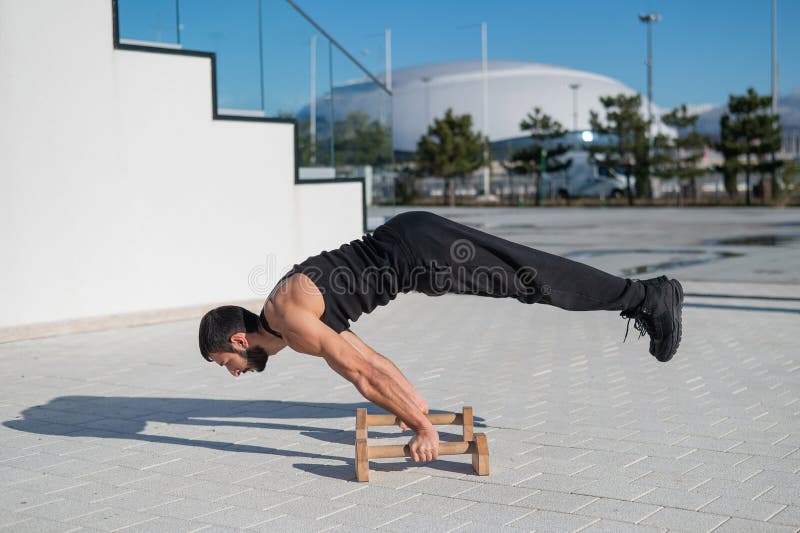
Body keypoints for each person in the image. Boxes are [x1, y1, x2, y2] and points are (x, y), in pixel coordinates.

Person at [198, 211, 683, 464]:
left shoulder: (292, 321)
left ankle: (647, 297)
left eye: (226, 364)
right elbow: (371, 359)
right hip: (414, 245)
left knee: (534, 278)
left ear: (239, 341)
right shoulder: (287, 317)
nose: (234, 374)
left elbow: (362, 375)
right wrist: (416, 407)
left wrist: (423, 430)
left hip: (422, 252)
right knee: (529, 279)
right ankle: (643, 297)